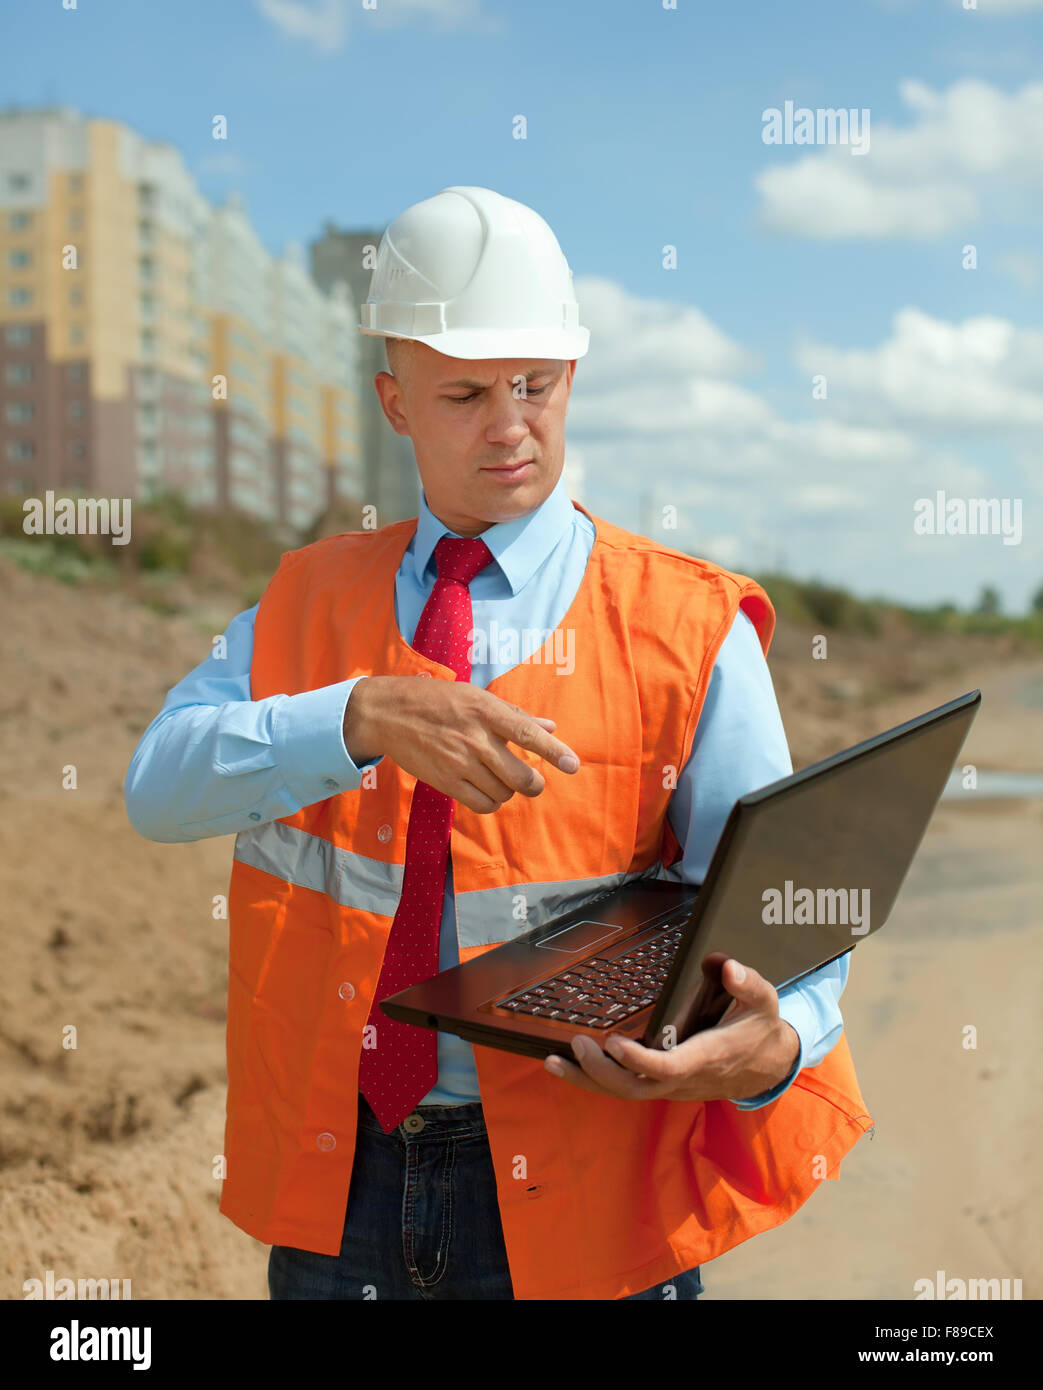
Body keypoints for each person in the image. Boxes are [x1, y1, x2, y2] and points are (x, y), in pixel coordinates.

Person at [125, 186, 871, 1301]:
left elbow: (785, 911)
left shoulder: (687, 624)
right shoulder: (305, 604)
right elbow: (157, 790)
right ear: (393, 402)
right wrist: (354, 715)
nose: (511, 424)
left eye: (534, 384)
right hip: (345, 1186)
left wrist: (778, 1043)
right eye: (466, 393)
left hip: (582, 1182)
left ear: (571, 376)